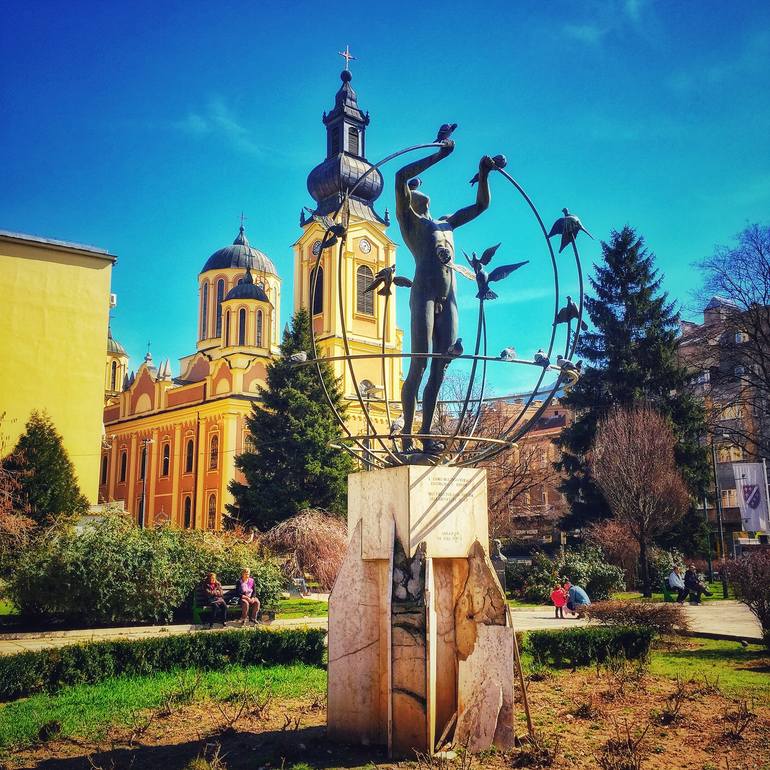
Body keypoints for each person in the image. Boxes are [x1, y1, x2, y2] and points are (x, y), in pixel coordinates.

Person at [395, 132, 495, 455]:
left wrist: (483, 174)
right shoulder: (410, 225)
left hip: (449, 299)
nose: (418, 193)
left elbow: (482, 205)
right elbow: (400, 176)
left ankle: (425, 433)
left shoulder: (447, 224)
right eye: (413, 192)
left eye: (419, 192)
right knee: (420, 364)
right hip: (423, 296)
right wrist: (440, 153)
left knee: (441, 366)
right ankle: (407, 435)